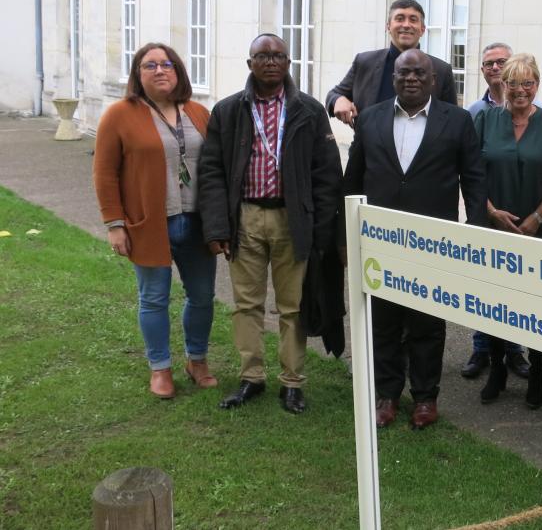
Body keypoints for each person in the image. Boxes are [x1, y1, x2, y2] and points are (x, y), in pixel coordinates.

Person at [342, 48, 487, 431]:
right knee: (383, 321)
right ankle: (387, 395)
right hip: (380, 241)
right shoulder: (371, 118)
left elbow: (474, 178)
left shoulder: (457, 121)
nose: (411, 78)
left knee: (427, 324)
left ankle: (425, 397)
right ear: (393, 78)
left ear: (433, 80)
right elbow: (353, 178)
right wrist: (346, 234)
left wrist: (474, 229)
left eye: (419, 73)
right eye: (404, 72)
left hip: (432, 243)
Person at [198, 33, 342, 415]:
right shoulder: (228, 111)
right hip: (244, 218)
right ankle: (252, 377)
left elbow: (328, 175)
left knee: (292, 306)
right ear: (250, 64)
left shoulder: (309, 110)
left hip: (292, 220)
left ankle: (292, 382)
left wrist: (321, 231)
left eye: (278, 56)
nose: (271, 62)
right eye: (262, 56)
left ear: (288, 63)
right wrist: (217, 228)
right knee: (247, 304)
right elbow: (211, 171)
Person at [93, 42, 217, 400]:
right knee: (153, 298)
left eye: (166, 64)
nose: (159, 70)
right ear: (138, 74)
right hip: (149, 223)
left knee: (203, 296)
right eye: (150, 65)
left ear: (177, 70)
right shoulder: (119, 115)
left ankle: (197, 360)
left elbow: (216, 166)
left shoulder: (198, 112)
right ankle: (160, 367)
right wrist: (115, 224)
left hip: (197, 223)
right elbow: (104, 173)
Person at [472, 53, 542, 408]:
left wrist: (538, 217)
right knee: (496, 302)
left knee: (536, 305)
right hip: (494, 228)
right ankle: (496, 369)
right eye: (512, 83)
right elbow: (472, 174)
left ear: (537, 85)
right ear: (503, 84)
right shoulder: (485, 120)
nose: (520, 90)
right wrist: (492, 212)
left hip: (537, 230)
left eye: (528, 83)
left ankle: (536, 372)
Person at [461, 41, 531, 381]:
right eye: (489, 63)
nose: (495, 68)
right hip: (486, 216)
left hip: (523, 222)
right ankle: (482, 348)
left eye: (501, 62)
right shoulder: (475, 113)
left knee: (516, 288)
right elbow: (469, 168)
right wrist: (488, 210)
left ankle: (514, 350)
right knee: (485, 286)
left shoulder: (535, 111)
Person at [325, 0, 457, 127]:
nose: (406, 25)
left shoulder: (441, 70)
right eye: (400, 19)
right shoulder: (364, 62)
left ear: (422, 29)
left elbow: (452, 119)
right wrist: (338, 100)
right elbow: (334, 94)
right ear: (388, 26)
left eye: (413, 19)